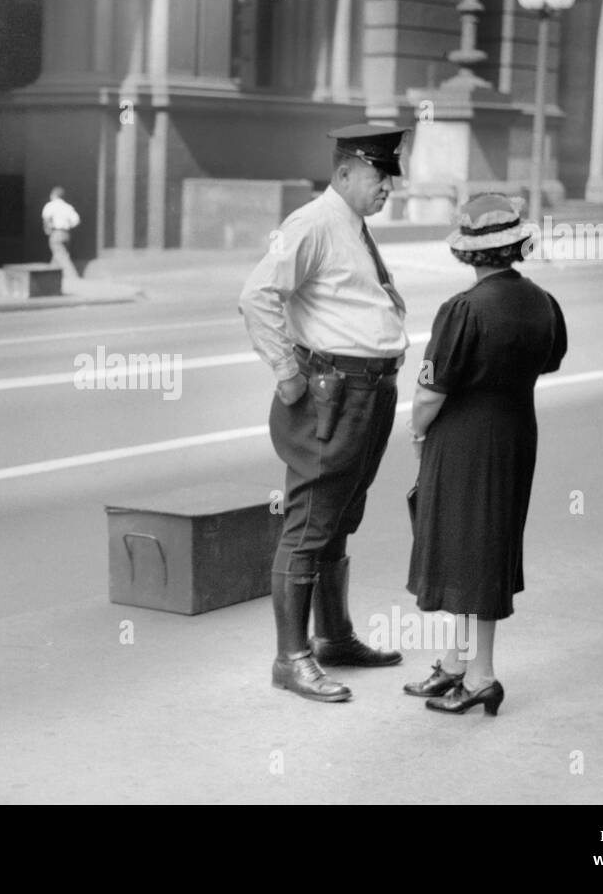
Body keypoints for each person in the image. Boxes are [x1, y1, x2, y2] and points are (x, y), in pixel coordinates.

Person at [239, 124, 411, 703]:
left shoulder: (351, 224)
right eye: (377, 175)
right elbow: (257, 294)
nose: (387, 186)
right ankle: (291, 658)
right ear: (343, 174)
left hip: (368, 393)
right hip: (331, 394)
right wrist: (286, 371)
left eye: (389, 176)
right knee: (311, 521)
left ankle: (333, 636)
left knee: (339, 515)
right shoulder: (313, 222)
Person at [403, 193, 568, 716]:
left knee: (468, 549)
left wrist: (417, 430)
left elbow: (432, 391)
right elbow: (551, 360)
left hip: (465, 439)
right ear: (516, 244)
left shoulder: (463, 309)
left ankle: (481, 677)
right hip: (516, 431)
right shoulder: (544, 302)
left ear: (469, 253)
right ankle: (457, 662)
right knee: (479, 546)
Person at [41, 186, 80, 279]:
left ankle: (73, 276)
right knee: (58, 255)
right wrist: (68, 226)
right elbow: (76, 220)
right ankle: (50, 277)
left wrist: (48, 229)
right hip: (66, 234)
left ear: (54, 195)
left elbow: (46, 218)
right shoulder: (68, 207)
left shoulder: (50, 205)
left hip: (56, 233)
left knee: (62, 256)